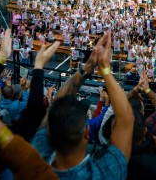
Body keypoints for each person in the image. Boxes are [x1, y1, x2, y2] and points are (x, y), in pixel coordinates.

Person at [31, 31, 133, 180]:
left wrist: (88, 67)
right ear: (87, 132)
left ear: (50, 133)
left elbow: (57, 106)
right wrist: (103, 69)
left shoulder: (35, 159)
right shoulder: (105, 174)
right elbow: (126, 119)